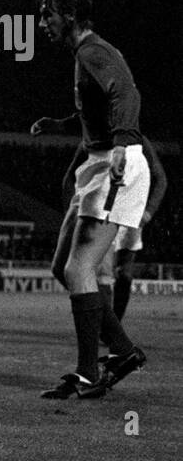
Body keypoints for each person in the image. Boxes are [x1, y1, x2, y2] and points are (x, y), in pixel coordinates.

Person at [29, 0, 148, 400]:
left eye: (48, 14)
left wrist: (120, 142)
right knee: (63, 268)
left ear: (71, 16)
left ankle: (87, 372)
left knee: (81, 269)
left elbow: (126, 93)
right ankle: (122, 351)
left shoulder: (93, 51)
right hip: (96, 163)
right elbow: (96, 108)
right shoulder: (85, 54)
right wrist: (62, 125)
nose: (43, 22)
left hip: (114, 166)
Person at [37, 130, 168, 324]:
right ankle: (106, 327)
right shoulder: (93, 138)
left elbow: (161, 179)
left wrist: (148, 212)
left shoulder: (138, 141)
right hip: (103, 210)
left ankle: (112, 324)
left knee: (124, 274)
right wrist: (70, 215)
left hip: (131, 212)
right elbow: (69, 178)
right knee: (101, 273)